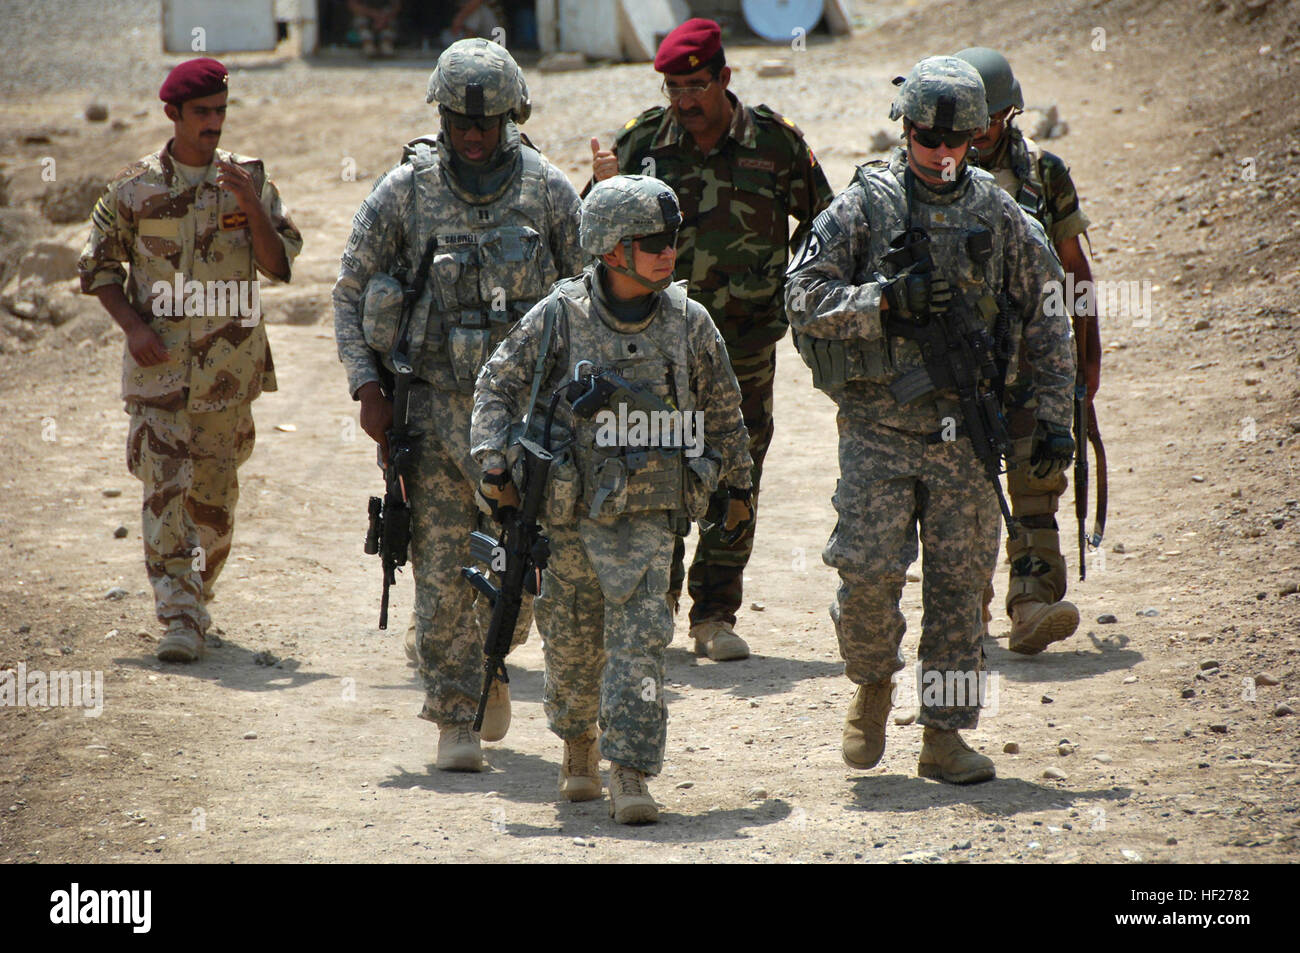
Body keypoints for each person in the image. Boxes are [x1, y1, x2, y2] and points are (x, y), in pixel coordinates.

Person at [784, 57, 1075, 784]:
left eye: (957, 143)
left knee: (959, 593)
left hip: (965, 438)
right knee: (867, 576)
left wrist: (1053, 415)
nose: (942, 156)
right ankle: (873, 681)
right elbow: (800, 295)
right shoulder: (865, 205)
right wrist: (882, 301)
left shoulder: (999, 213)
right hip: (879, 432)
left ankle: (944, 734)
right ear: (905, 130)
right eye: (927, 141)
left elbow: (1048, 314)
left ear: (977, 136)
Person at [332, 38, 584, 771]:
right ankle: (452, 714)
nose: (473, 135)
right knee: (441, 565)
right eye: (459, 121)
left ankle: (495, 660)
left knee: (522, 562)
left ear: (514, 116)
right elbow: (351, 294)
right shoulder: (403, 193)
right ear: (440, 116)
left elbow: (587, 293)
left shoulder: (548, 192)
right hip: (433, 411)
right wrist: (367, 386)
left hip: (524, 418)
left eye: (489, 122)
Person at [470, 175, 753, 822]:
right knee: (570, 641)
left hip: (651, 513)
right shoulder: (559, 317)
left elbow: (725, 410)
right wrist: (492, 460)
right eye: (650, 241)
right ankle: (578, 744)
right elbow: (496, 386)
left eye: (671, 239)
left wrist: (737, 487)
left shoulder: (689, 322)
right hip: (568, 513)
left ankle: (630, 770)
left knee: (642, 637)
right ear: (609, 249)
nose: (666, 252)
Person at [590, 17, 833, 661]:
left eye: (697, 85)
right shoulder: (642, 143)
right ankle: (652, 603)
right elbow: (596, 246)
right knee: (653, 467)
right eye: (675, 88)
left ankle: (714, 612)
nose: (686, 101)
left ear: (725, 77)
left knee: (736, 470)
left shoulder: (777, 145)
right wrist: (602, 186)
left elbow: (826, 229)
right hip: (656, 346)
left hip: (745, 344)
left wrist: (800, 297)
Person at [77, 57, 302, 664]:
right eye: (201, 113)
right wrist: (132, 328)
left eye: (221, 112)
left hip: (228, 375)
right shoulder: (133, 189)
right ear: (173, 114)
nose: (213, 124)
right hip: (159, 373)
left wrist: (251, 204)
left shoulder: (249, 178)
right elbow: (96, 268)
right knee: (164, 489)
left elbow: (279, 265)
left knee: (214, 497)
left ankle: (197, 593)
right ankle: (178, 613)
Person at [954, 46, 1100, 655]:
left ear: (1010, 113)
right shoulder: (927, 171)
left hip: (1034, 362)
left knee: (1037, 485)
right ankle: (964, 612)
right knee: (960, 496)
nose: (974, 133)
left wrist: (1087, 364)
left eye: (986, 119)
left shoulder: (1044, 174)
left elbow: (1076, 273)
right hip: (958, 368)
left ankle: (1030, 605)